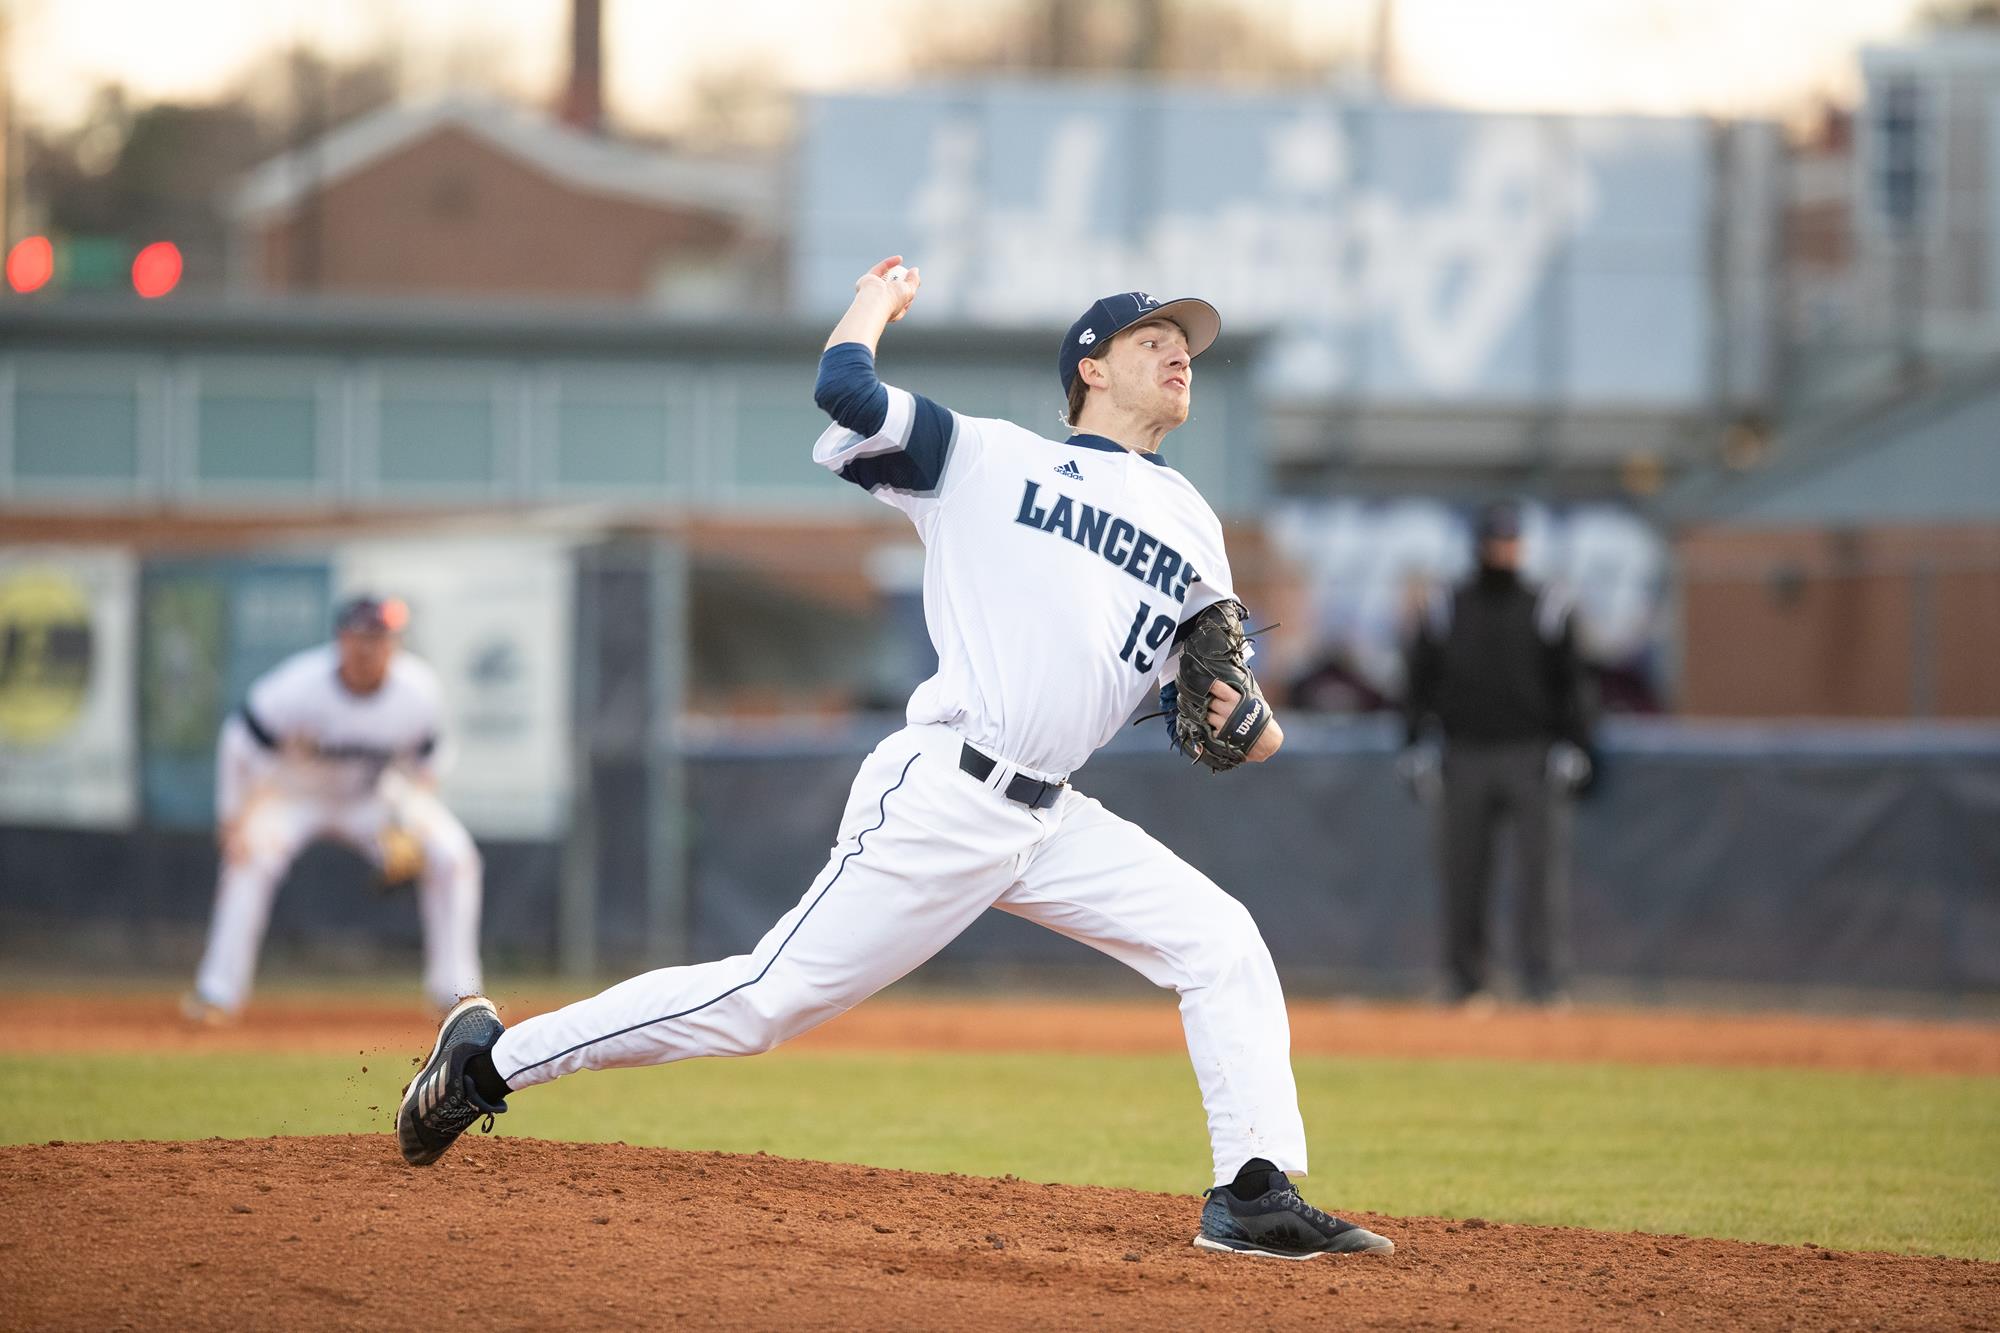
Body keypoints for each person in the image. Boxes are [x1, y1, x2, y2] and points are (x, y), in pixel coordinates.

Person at [396, 257, 1394, 1261]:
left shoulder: (1192, 524)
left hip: (1050, 819)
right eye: (1153, 339)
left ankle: (1251, 1191)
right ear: (1088, 368)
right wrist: (878, 298)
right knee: (759, 1004)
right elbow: (846, 393)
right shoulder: (991, 459)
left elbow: (1220, 691)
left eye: (1187, 344)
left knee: (1218, 939)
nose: (1180, 352)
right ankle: (490, 1061)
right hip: (947, 791)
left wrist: (1247, 722)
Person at [181, 595, 483, 1023]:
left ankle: (456, 998)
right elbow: (238, 743)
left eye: (380, 638)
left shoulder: (417, 690)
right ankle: (217, 993)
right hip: (293, 796)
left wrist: (408, 820)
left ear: (395, 644)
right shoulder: (299, 685)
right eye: (360, 637)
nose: (369, 649)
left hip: (371, 800)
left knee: (454, 856)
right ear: (340, 640)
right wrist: (232, 820)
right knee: (248, 858)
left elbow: (427, 768)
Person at [1398, 502, 1595, 1008]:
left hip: (1531, 754)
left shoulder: (1546, 604)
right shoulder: (1447, 605)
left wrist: (1575, 743)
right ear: (1480, 545)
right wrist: (1416, 742)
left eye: (1511, 541)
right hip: (1464, 754)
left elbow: (1574, 683)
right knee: (1464, 873)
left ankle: (1545, 982)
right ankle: (1468, 981)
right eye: (1496, 541)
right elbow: (1418, 680)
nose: (1503, 550)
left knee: (1540, 876)